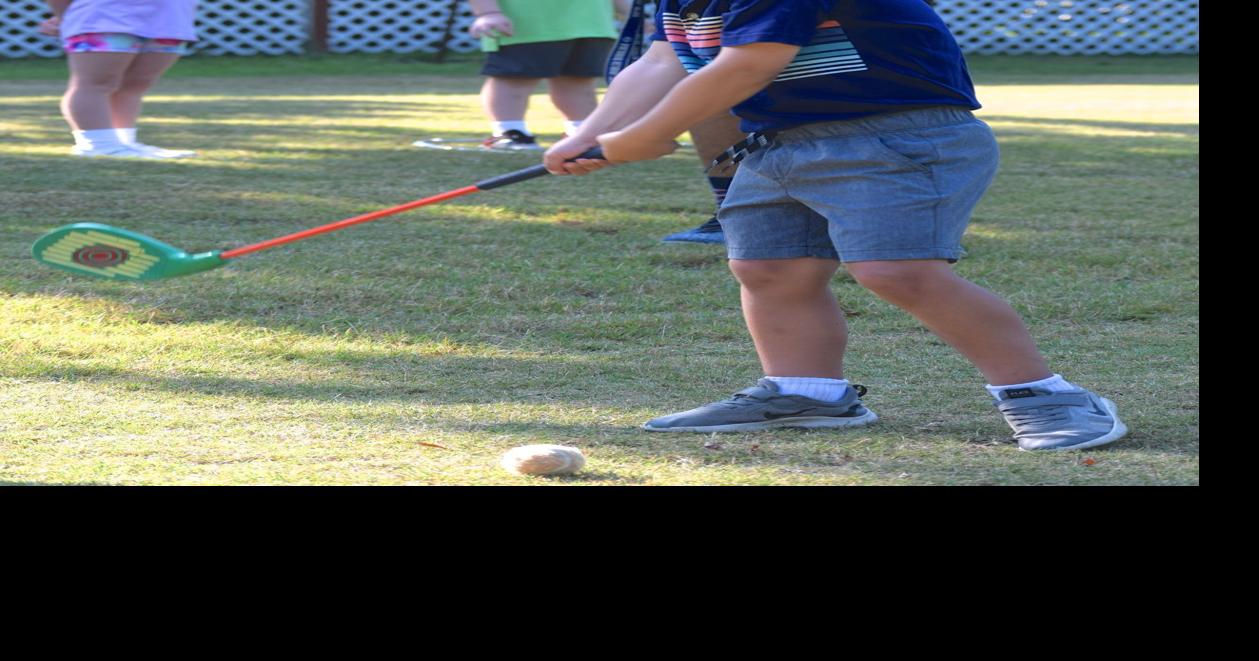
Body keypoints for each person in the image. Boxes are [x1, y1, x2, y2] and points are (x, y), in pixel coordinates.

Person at [544, 0, 1127, 451]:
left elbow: (751, 62)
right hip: (776, 143)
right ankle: (807, 391)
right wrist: (588, 133)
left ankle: (1045, 396)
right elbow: (662, 60)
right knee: (768, 269)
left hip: (898, 135)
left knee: (897, 271)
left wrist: (645, 136)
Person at [448, 0, 625, 152]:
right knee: (514, 80)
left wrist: (630, 13)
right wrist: (488, 12)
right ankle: (510, 133)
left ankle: (582, 133)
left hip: (592, 24)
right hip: (525, 25)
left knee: (579, 82)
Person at [40, 0, 198, 159]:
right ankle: (98, 144)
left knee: (134, 85)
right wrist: (64, 17)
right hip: (103, 19)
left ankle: (124, 143)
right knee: (95, 84)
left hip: (170, 21)